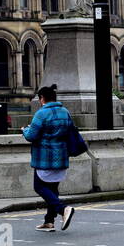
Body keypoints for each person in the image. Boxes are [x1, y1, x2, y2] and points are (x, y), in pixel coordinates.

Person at [21, 84, 75, 232]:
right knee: (52, 189)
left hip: (45, 157)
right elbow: (71, 132)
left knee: (39, 186)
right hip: (62, 156)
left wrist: (24, 130)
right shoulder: (65, 112)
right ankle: (49, 221)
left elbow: (31, 136)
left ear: (42, 98)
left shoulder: (41, 114)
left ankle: (63, 209)